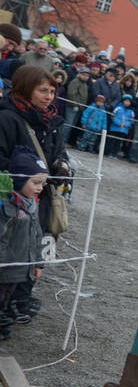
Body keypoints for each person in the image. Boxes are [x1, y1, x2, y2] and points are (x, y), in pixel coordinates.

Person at [0, 65, 70, 320]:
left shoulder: (51, 119)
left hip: (44, 196)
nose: (49, 96)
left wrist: (62, 164)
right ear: (26, 88)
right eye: (43, 90)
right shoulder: (8, 118)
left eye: (52, 91)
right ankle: (7, 301)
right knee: (13, 249)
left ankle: (23, 295)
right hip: (16, 198)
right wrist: (25, 175)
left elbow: (59, 151)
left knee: (40, 247)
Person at [0, 146, 47, 339]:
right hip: (5, 264)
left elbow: (37, 236)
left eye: (42, 183)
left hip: (20, 265)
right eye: (35, 182)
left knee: (6, 296)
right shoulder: (7, 204)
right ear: (19, 179)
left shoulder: (32, 204)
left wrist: (37, 262)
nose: (40, 188)